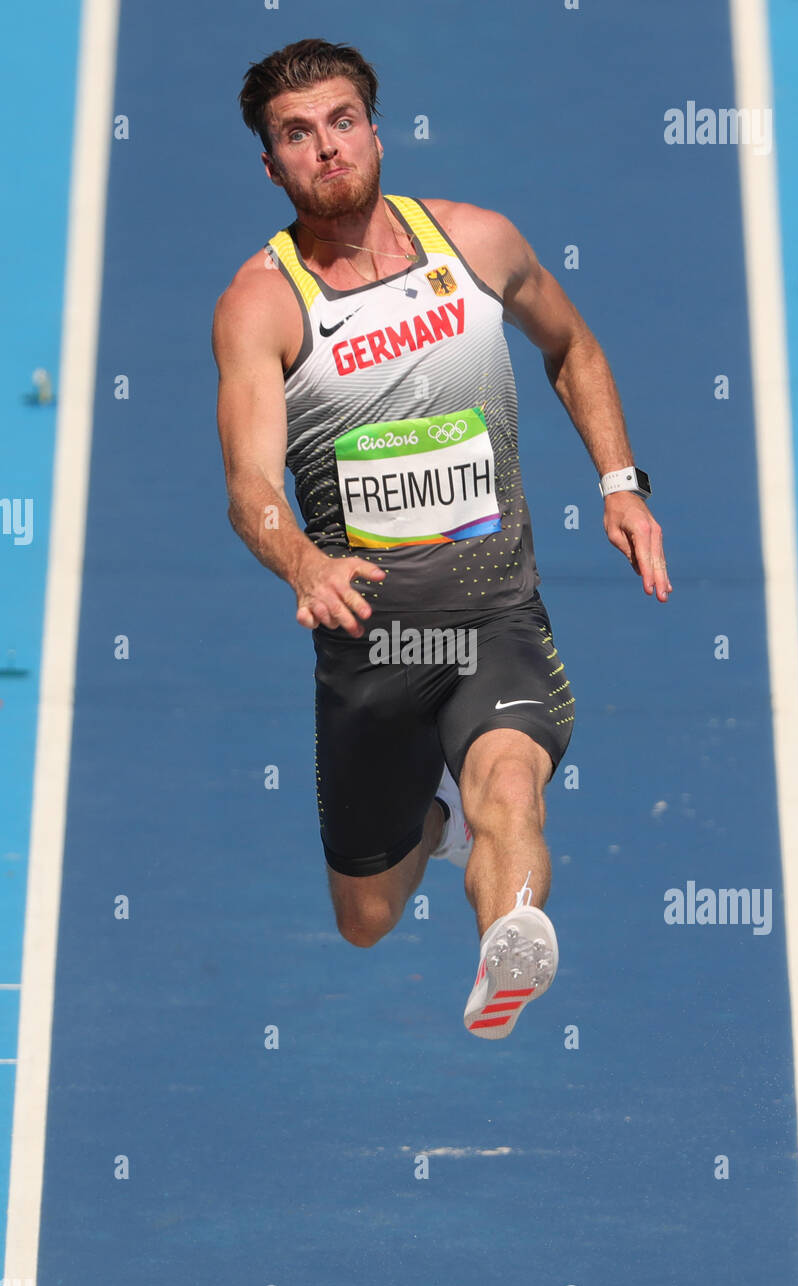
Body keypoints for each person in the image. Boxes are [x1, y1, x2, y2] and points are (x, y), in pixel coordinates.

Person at [212, 38, 671, 1040]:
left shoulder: (478, 243)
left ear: (377, 132)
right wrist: (302, 561)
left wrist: (620, 484)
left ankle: (508, 939)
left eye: (342, 122)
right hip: (371, 643)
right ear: (272, 166)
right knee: (367, 918)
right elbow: (250, 485)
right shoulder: (263, 305)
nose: (327, 148)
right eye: (298, 134)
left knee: (511, 792)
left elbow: (572, 346)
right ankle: (435, 822)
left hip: (495, 617)